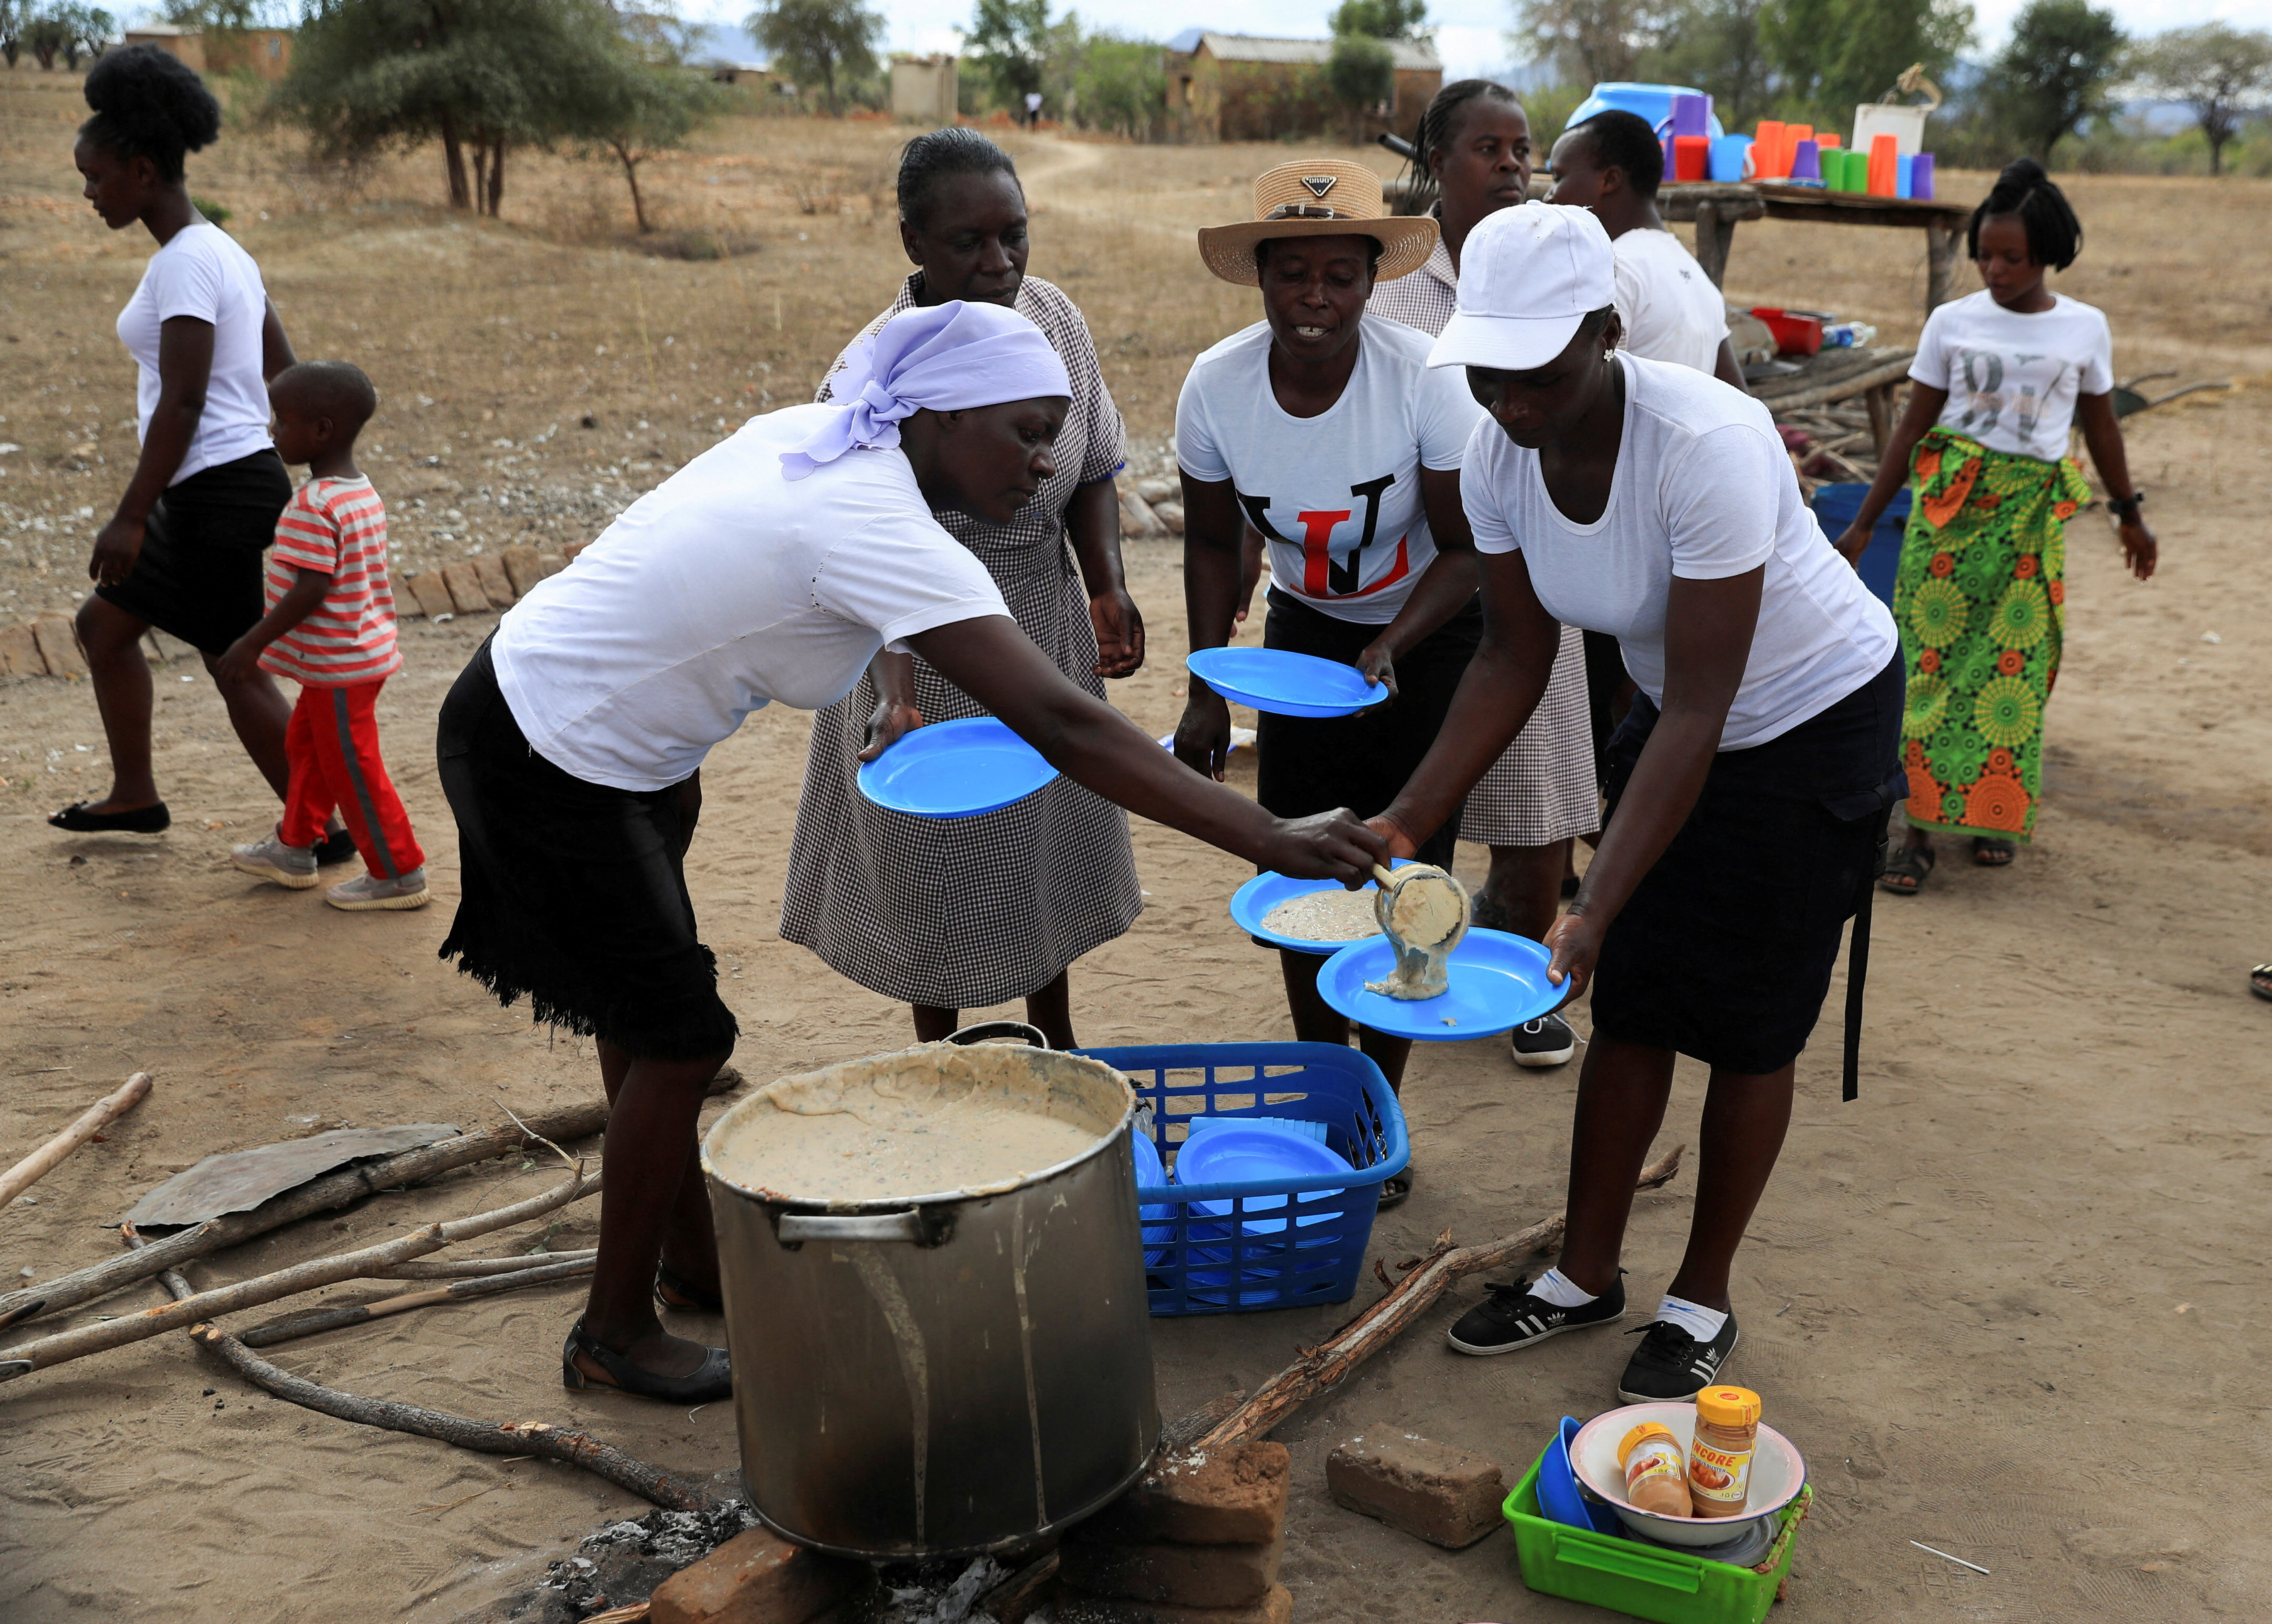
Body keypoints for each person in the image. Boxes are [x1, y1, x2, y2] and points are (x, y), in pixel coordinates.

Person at [436, 301, 1384, 1401]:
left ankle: (687, 1266)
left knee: (645, 1014)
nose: (1044, 463)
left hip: (591, 725)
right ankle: (611, 1334)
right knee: (681, 1033)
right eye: (1025, 431)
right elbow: (1068, 724)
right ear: (937, 413)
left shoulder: (830, 441)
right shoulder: (870, 515)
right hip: (550, 750)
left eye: (1055, 436)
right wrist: (1267, 833)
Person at [1372, 204, 1902, 1401]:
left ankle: (1701, 1296)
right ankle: (1586, 1273)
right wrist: (1408, 823)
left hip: (1809, 720)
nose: (1511, 400)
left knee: (1751, 1020)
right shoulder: (1501, 447)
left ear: (1606, 331)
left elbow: (1709, 706)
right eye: (1490, 373)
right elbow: (1511, 657)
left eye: (1539, 371)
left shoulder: (1708, 438)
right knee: (1640, 1007)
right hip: (1675, 717)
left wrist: (1590, 897)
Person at [781, 130, 1143, 1049]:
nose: (1000, 263)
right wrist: (896, 693)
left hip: (1041, 619)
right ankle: (939, 1053)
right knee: (929, 863)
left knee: (1042, 847)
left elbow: (1093, 462)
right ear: (913, 243)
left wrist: (1104, 587)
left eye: (1015, 236)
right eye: (968, 244)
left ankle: (1059, 1044)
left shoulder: (1054, 319)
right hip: (915, 647)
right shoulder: (874, 369)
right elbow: (861, 542)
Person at [1172, 158, 1477, 1201]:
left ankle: (1374, 1107)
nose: (1315, 296)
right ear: (1258, 275)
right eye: (1291, 271)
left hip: (1427, 634)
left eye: (1339, 276)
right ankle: (1322, 1081)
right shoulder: (1215, 385)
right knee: (1301, 868)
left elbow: (1468, 544)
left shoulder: (1424, 378)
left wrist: (1393, 640)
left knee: (1402, 867)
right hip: (1304, 636)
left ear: (1369, 282)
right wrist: (1207, 681)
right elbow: (1214, 543)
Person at [51, 46, 346, 861]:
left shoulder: (186, 263)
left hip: (215, 492)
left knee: (236, 666)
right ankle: (135, 797)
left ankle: (319, 829)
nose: (88, 193)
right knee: (104, 628)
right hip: (220, 485)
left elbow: (184, 399)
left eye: (95, 176)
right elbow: (284, 374)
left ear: (142, 170)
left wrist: (130, 516)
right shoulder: (226, 252)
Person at [1832, 158, 2156, 892]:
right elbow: (1912, 427)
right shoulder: (1951, 323)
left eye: (2011, 257)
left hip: (2026, 521)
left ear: (2046, 253)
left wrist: (2129, 514)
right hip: (1946, 522)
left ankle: (1990, 813)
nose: (1994, 269)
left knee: (2015, 670)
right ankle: (1913, 835)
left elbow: (2102, 429)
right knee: (1925, 672)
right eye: (1984, 254)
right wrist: (1863, 525)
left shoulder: (2084, 329)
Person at [1370, 80, 1599, 1071]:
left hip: (1535, 565)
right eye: (1486, 148)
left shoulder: (1555, 271)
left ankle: (1517, 982)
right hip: (1422, 579)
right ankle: (1417, 967)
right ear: (1434, 160)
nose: (1511, 165)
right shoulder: (1390, 285)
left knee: (1537, 798)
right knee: (1426, 782)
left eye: (1522, 149)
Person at [225, 362, 428, 912]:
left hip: (342, 666)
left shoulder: (314, 506)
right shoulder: (358, 492)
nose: (273, 430)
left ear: (321, 430)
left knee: (353, 767)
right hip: (350, 656)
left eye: (282, 420)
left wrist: (253, 642)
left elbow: (310, 589)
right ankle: (295, 846)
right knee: (308, 749)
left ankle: (398, 871)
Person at [1544, 109, 1749, 390]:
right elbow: (1740, 398)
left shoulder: (1616, 270)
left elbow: (1571, 395)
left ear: (1610, 180)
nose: (1549, 196)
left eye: (1558, 177)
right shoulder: (1695, 275)